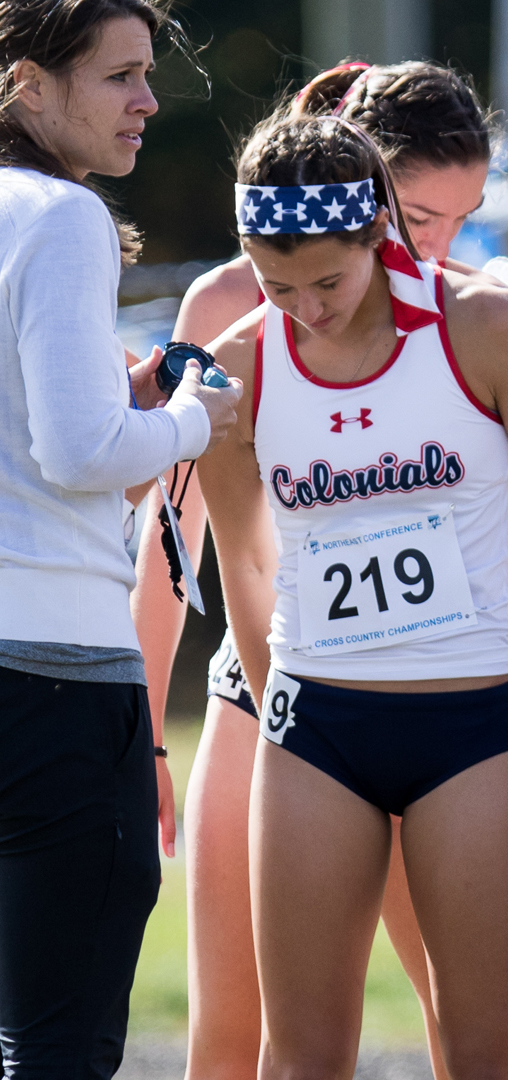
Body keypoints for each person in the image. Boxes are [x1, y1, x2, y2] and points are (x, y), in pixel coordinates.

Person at [194, 104, 508, 1078]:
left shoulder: (488, 326)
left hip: (468, 729)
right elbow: (246, 560)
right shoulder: (240, 369)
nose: (305, 306)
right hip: (316, 731)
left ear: (380, 232)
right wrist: (280, 708)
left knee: (489, 1052)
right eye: (275, 283)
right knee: (299, 1057)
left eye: (328, 280)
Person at [127, 58, 508, 1080]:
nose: (443, 241)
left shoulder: (478, 316)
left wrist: (436, 663)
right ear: (361, 183)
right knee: (237, 1033)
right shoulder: (230, 305)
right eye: (427, 214)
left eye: (464, 216)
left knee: (470, 1023)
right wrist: (142, 733)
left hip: (436, 698)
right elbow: (176, 544)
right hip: (273, 702)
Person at [0, 0, 242, 1074]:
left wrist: (129, 403)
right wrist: (197, 418)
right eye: (120, 76)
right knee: (59, 1044)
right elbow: (79, 455)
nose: (149, 100)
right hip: (52, 685)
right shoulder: (62, 217)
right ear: (29, 88)